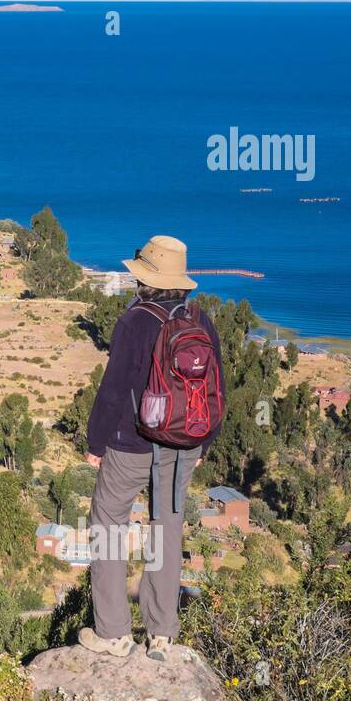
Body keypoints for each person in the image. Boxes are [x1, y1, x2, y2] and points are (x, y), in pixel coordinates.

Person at [77, 235, 223, 662]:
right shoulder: (200, 319)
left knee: (107, 525)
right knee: (166, 530)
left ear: (144, 278)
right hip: (183, 447)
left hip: (132, 446)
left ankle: (114, 633)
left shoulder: (134, 321)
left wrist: (95, 443)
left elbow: (113, 390)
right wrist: (203, 442)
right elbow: (217, 388)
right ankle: (161, 634)